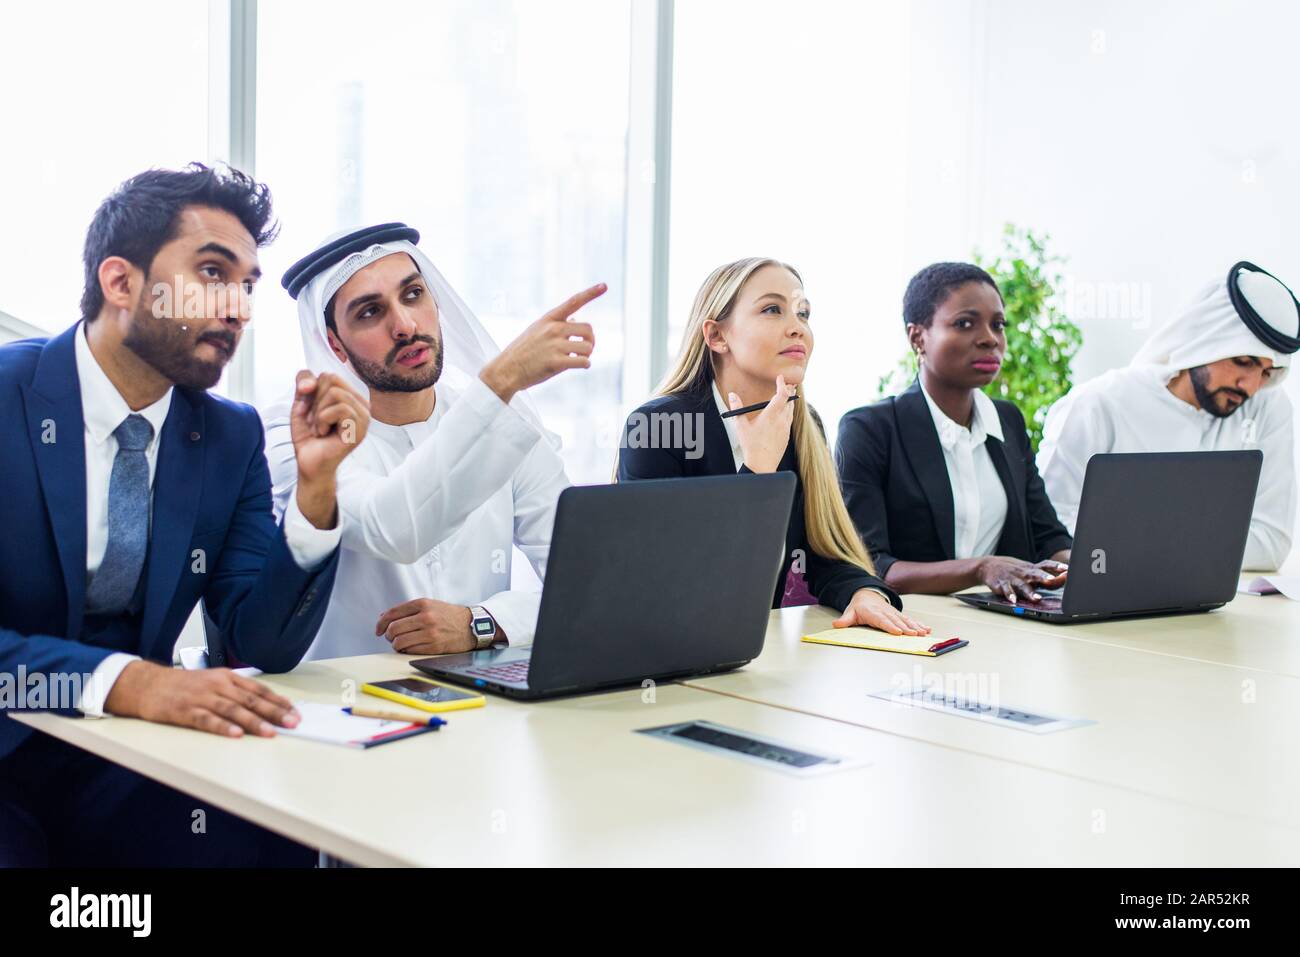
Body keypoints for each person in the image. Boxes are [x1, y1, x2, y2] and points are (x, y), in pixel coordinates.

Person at [0, 164, 368, 866]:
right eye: (212, 272)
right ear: (121, 282)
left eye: (248, 286)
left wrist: (317, 495)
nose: (237, 308)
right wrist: (133, 678)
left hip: (127, 754)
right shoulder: (7, 397)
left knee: (272, 839)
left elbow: (257, 641)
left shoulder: (229, 436)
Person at [263, 223, 604, 659]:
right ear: (335, 344)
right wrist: (501, 380)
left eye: (412, 295)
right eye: (369, 312)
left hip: (482, 702)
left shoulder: (504, 418)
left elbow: (587, 581)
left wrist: (481, 622)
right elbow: (394, 530)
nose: (404, 325)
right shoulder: (298, 432)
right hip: (341, 709)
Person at [616, 257, 928, 637]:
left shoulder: (803, 424)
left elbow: (821, 554)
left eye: (803, 313)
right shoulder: (657, 428)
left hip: (760, 655)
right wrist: (758, 473)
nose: (797, 328)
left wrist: (862, 592)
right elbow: (678, 584)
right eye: (772, 309)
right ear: (717, 337)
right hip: (674, 650)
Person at [1039, 261, 1298, 571]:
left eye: (1268, 372)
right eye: (1243, 361)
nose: (1252, 386)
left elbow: (1270, 542)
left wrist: (1135, 544)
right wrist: (1203, 545)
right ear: (1204, 342)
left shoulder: (1267, 407)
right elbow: (1050, 529)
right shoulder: (1098, 405)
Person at [836, 262, 1072, 603]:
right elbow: (869, 563)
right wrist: (980, 568)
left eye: (998, 325)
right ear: (918, 336)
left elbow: (1048, 537)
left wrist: (1090, 566)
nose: (990, 339)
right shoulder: (870, 429)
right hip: (909, 625)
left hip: (1005, 625)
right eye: (964, 323)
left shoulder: (1007, 421)